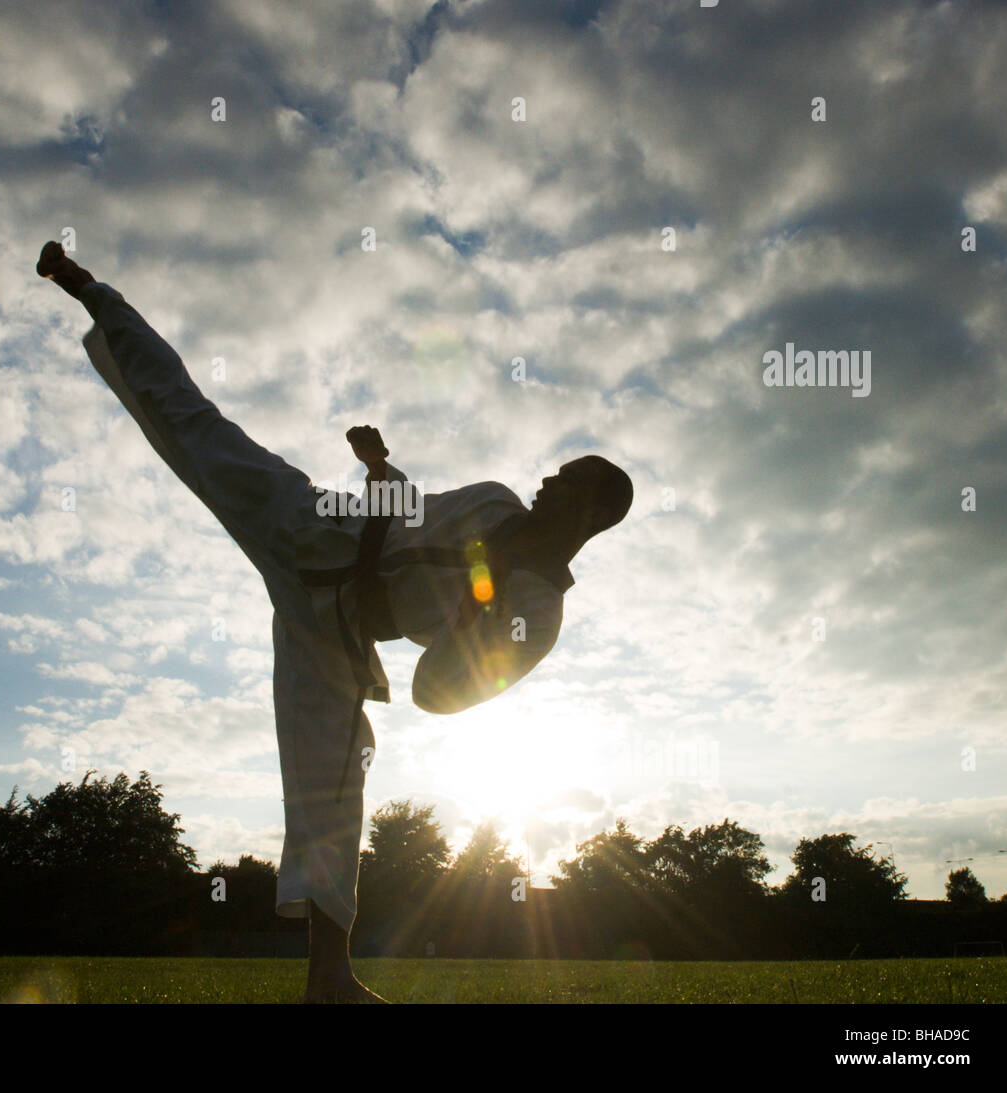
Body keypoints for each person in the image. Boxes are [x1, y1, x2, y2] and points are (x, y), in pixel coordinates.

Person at [36, 241, 633, 1002]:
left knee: (332, 790)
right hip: (315, 529)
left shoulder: (539, 616)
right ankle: (93, 292)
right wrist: (383, 474)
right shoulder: (495, 499)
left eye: (569, 479)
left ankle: (328, 979)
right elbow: (405, 516)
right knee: (196, 428)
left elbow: (436, 693)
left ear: (592, 513)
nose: (549, 478)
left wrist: (489, 599)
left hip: (337, 639)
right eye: (559, 469)